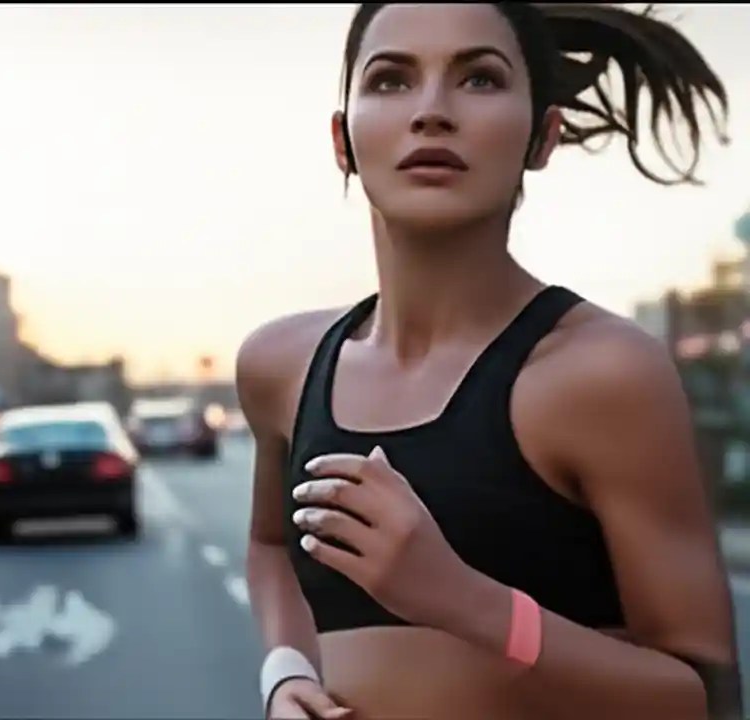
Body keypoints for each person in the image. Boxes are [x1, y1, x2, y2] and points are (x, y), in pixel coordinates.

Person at [237, 3, 739, 720]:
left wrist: (463, 599)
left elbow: (704, 697)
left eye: (479, 79)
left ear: (543, 137)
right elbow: (270, 546)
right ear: (342, 140)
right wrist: (286, 674)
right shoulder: (279, 365)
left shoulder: (601, 374)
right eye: (391, 80)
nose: (431, 112)